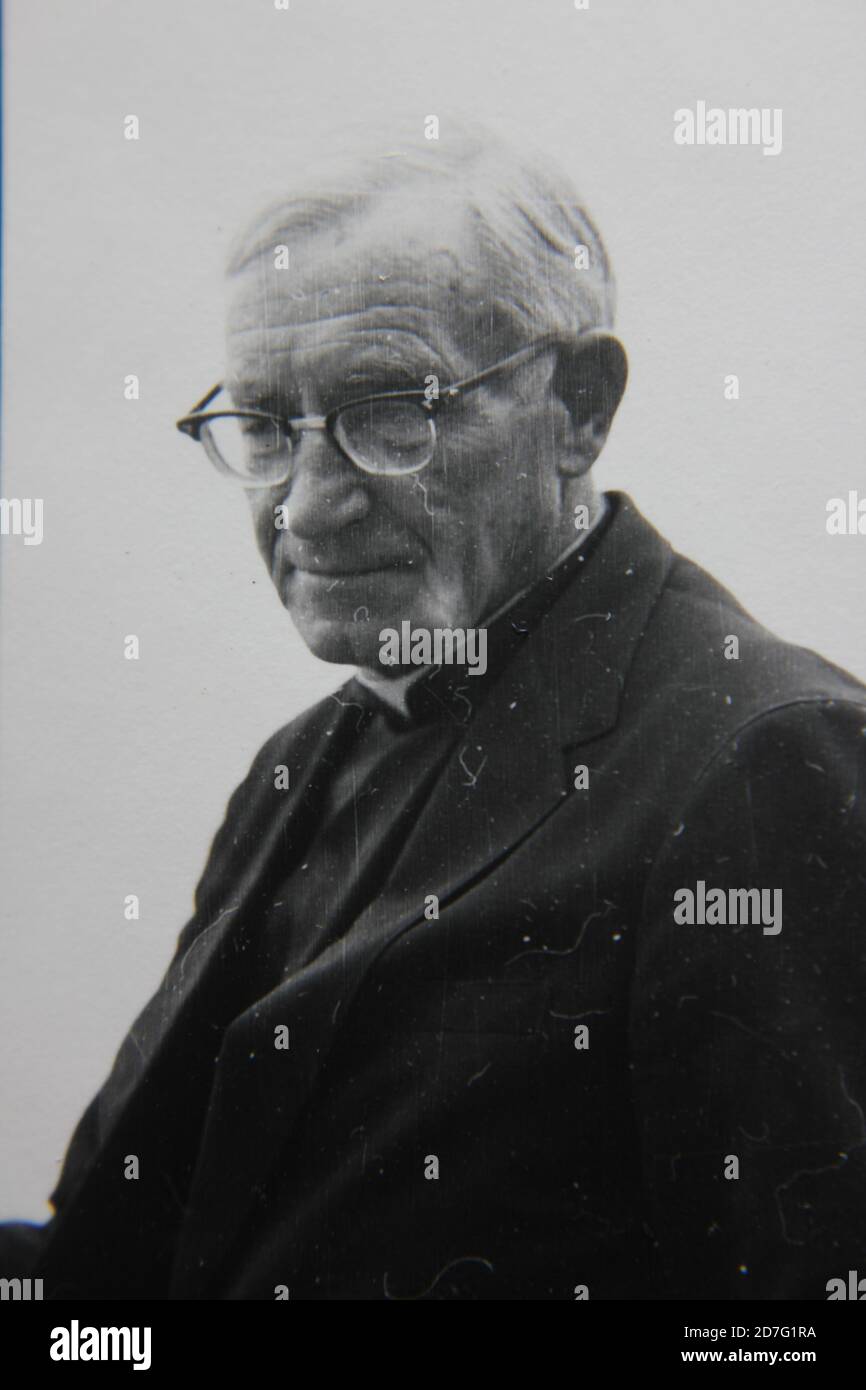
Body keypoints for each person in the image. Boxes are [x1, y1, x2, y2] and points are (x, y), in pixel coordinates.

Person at [3, 127, 865, 1300]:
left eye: (389, 409)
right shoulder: (300, 758)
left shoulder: (765, 757)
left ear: (578, 406)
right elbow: (130, 1266)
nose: (304, 508)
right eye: (262, 427)